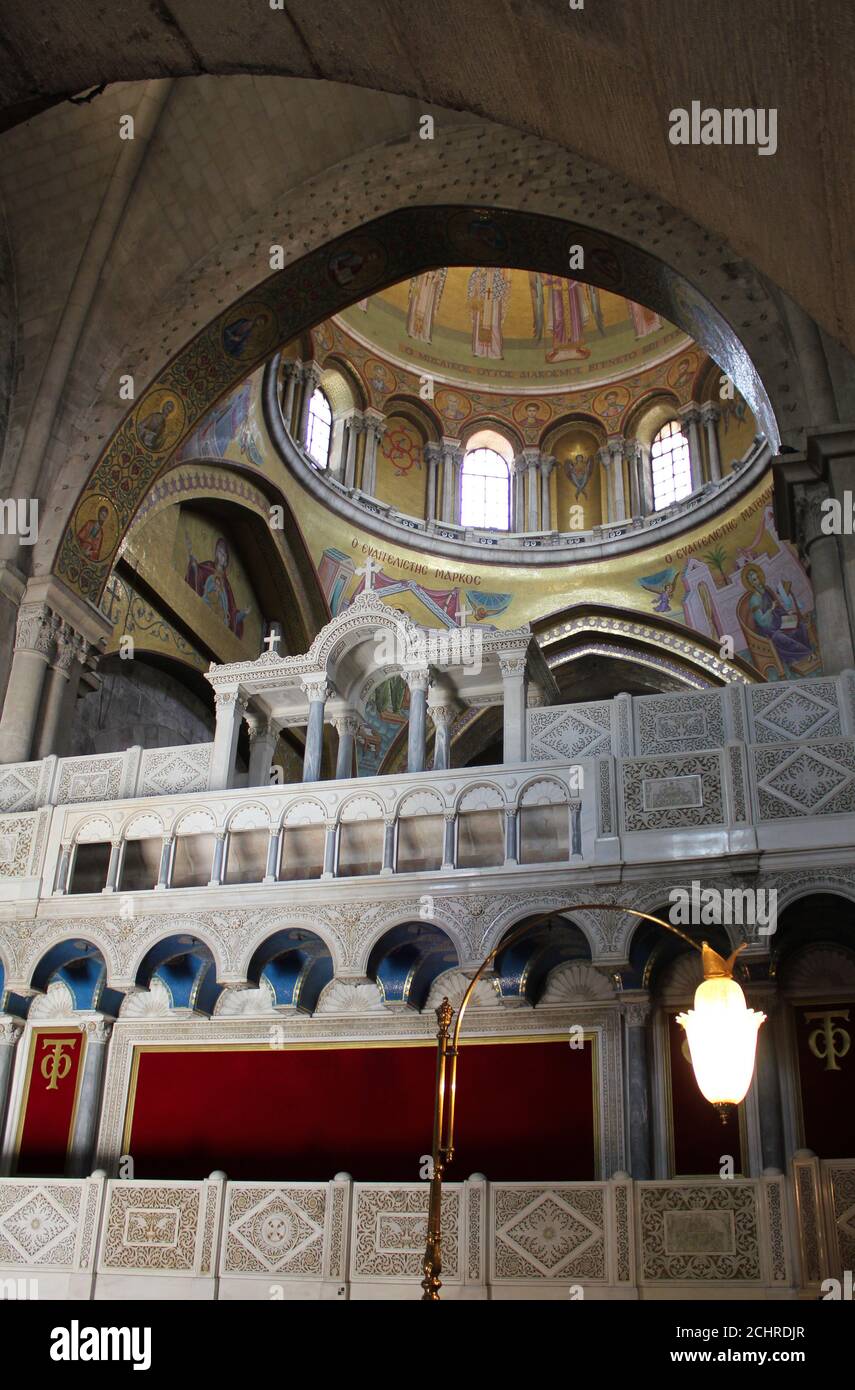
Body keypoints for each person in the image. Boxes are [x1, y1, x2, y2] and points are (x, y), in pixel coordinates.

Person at [741, 563, 813, 673]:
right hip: (769, 629)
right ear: (751, 584)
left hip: (778, 621)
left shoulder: (765, 591)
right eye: (754, 580)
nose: (758, 581)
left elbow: (778, 608)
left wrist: (786, 614)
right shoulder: (754, 600)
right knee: (782, 637)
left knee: (799, 624)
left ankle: (806, 655)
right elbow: (761, 621)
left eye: (758, 578)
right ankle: (807, 654)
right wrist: (771, 609)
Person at [185, 534, 251, 638]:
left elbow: (231, 612)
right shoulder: (208, 566)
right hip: (203, 613)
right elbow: (197, 575)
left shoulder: (227, 586)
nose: (221, 556)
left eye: (224, 554)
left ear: (226, 561)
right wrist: (194, 565)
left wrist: (243, 614)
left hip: (219, 623)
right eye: (219, 552)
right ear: (216, 553)